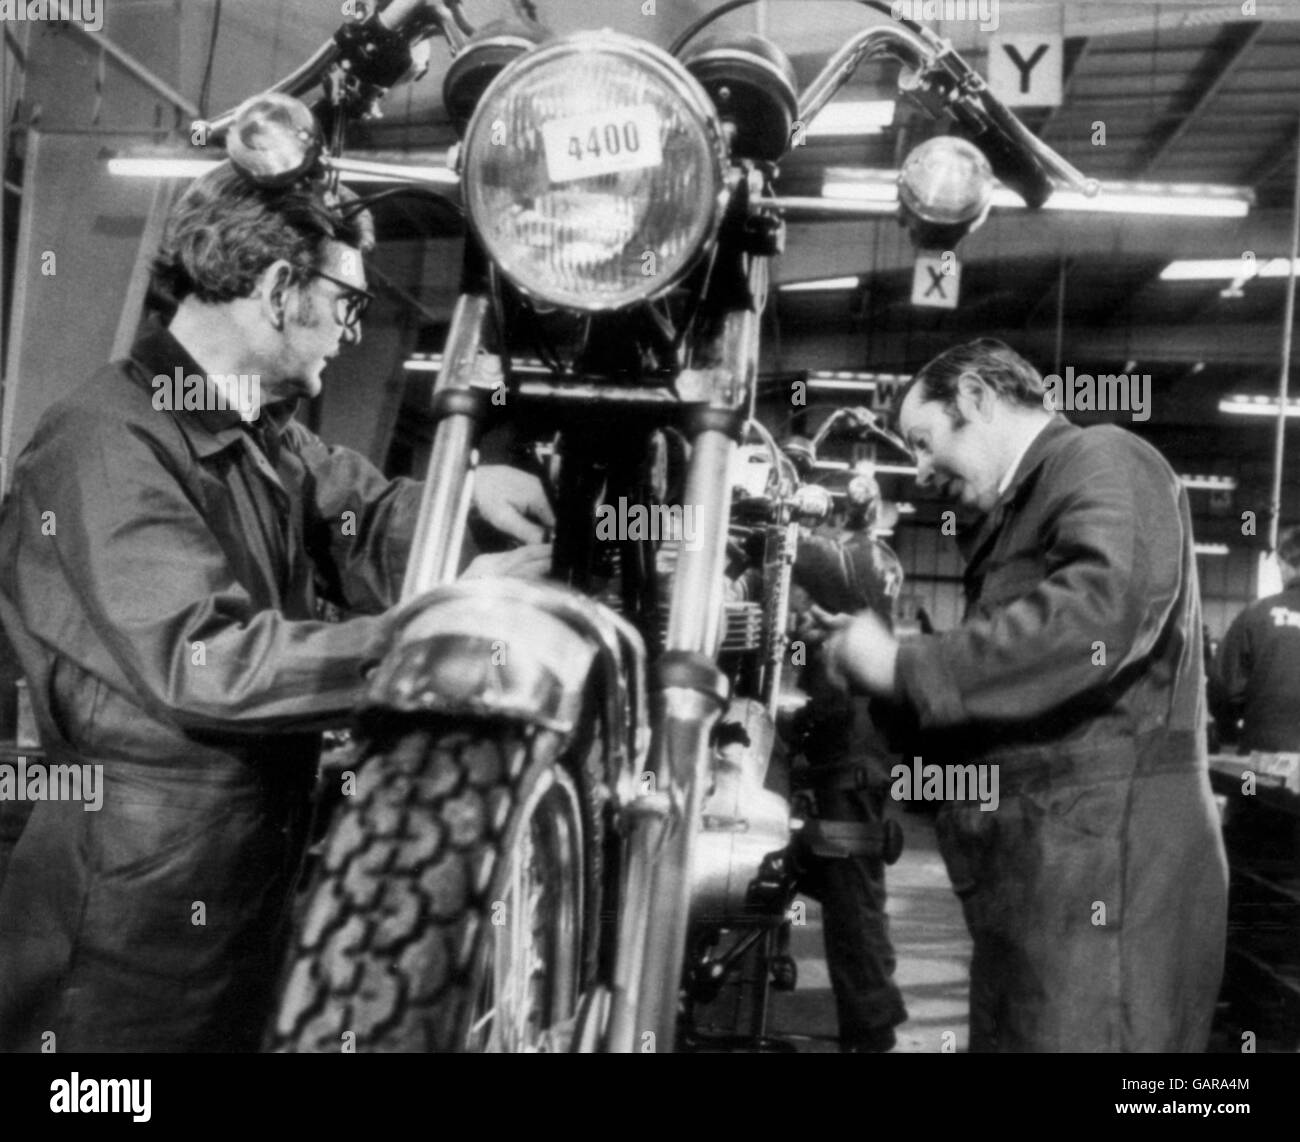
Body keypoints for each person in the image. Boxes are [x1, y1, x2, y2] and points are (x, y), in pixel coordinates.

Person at [0, 163, 552, 1051]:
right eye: (345, 301)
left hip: (235, 872)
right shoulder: (105, 441)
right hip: (127, 898)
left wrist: (468, 493)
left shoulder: (254, 430)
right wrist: (434, 634)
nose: (349, 325)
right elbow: (202, 661)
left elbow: (359, 518)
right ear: (277, 287)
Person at [815, 338, 1228, 1052]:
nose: (917, 471)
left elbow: (1103, 611)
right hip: (1042, 887)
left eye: (922, 441)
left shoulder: (1105, 457)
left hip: (1107, 877)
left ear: (975, 398)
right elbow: (1003, 702)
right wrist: (868, 694)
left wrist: (904, 666)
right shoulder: (1016, 517)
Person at [787, 473, 908, 1053]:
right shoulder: (864, 562)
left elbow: (813, 557)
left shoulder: (860, 557)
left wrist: (784, 517)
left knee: (852, 891)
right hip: (842, 742)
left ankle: (872, 1031)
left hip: (852, 748)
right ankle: (870, 1022)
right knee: (844, 881)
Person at [1209, 526, 1300, 752]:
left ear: (1284, 564)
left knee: (1251, 786)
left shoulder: (1255, 615)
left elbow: (1224, 688)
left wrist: (1227, 731)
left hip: (1264, 755)